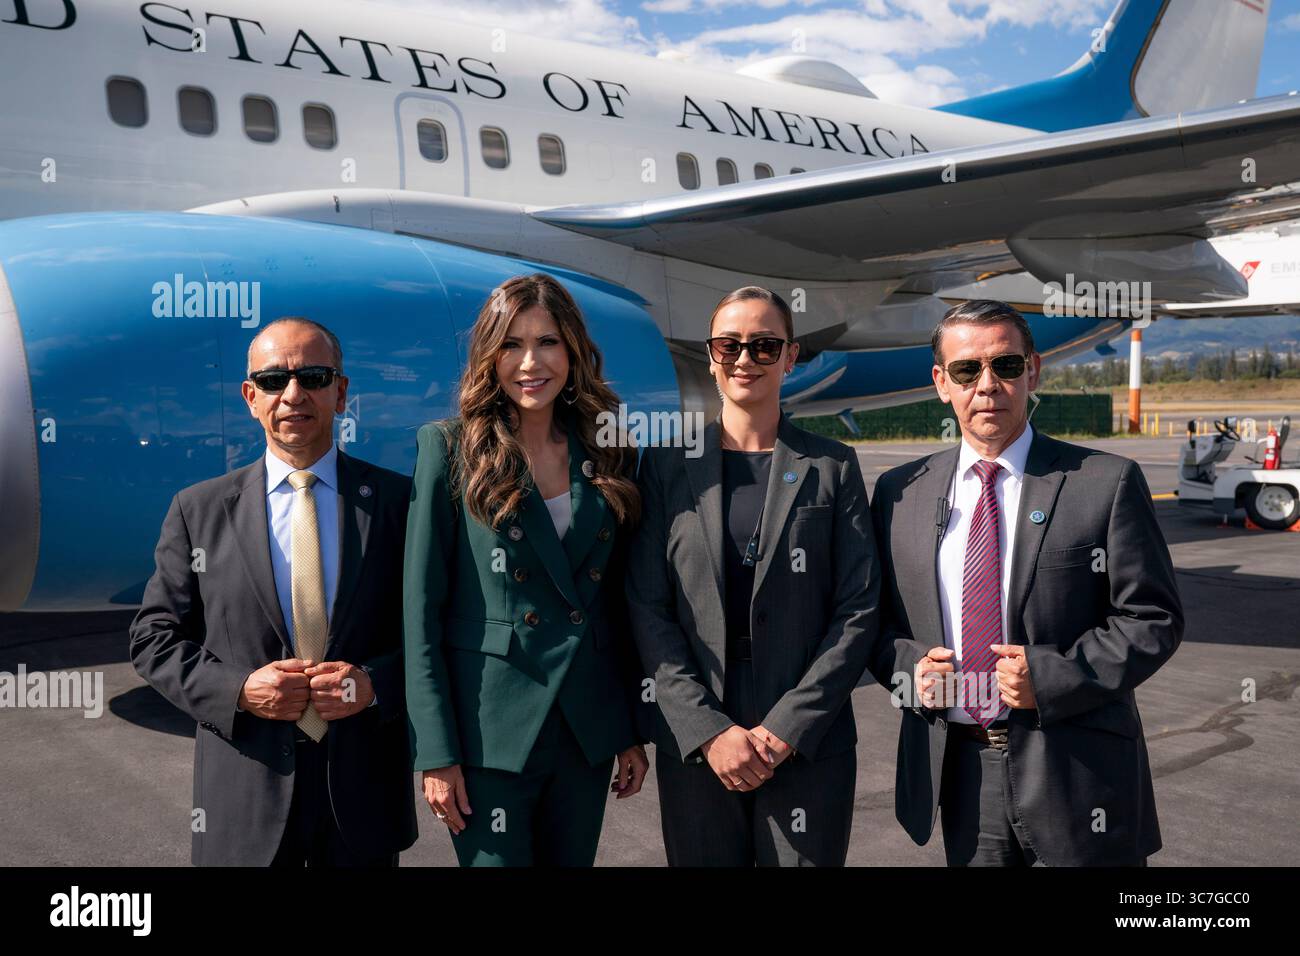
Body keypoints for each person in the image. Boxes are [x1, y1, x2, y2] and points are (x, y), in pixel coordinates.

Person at [871, 299, 1183, 866]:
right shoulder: (899, 492)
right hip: (962, 774)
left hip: (1079, 771)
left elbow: (1153, 618)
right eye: (967, 370)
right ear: (942, 383)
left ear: (1033, 371)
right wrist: (908, 670)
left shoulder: (1105, 482)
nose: (987, 384)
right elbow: (872, 621)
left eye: (1006, 366)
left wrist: (1053, 677)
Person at [130, 317, 417, 866]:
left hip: (361, 802)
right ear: (250, 397)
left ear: (341, 392)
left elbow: (434, 631)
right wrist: (239, 689)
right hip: (243, 804)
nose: (293, 394)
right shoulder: (198, 510)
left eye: (313, 375)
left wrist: (373, 684)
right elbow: (153, 639)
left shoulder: (399, 504)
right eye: (271, 380)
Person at [626, 285, 886, 866]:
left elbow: (859, 609)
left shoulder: (832, 466)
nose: (745, 359)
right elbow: (648, 607)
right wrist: (707, 729)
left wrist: (785, 728)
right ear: (711, 356)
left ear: (790, 356)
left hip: (805, 739)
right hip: (698, 739)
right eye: (730, 345)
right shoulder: (666, 466)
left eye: (765, 346)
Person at [404, 273, 649, 867]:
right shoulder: (450, 448)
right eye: (511, 345)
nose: (530, 362)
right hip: (490, 731)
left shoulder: (610, 449)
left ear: (573, 351)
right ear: (489, 356)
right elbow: (421, 611)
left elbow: (618, 604)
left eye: (548, 342)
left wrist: (626, 727)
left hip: (584, 729)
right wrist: (435, 751)